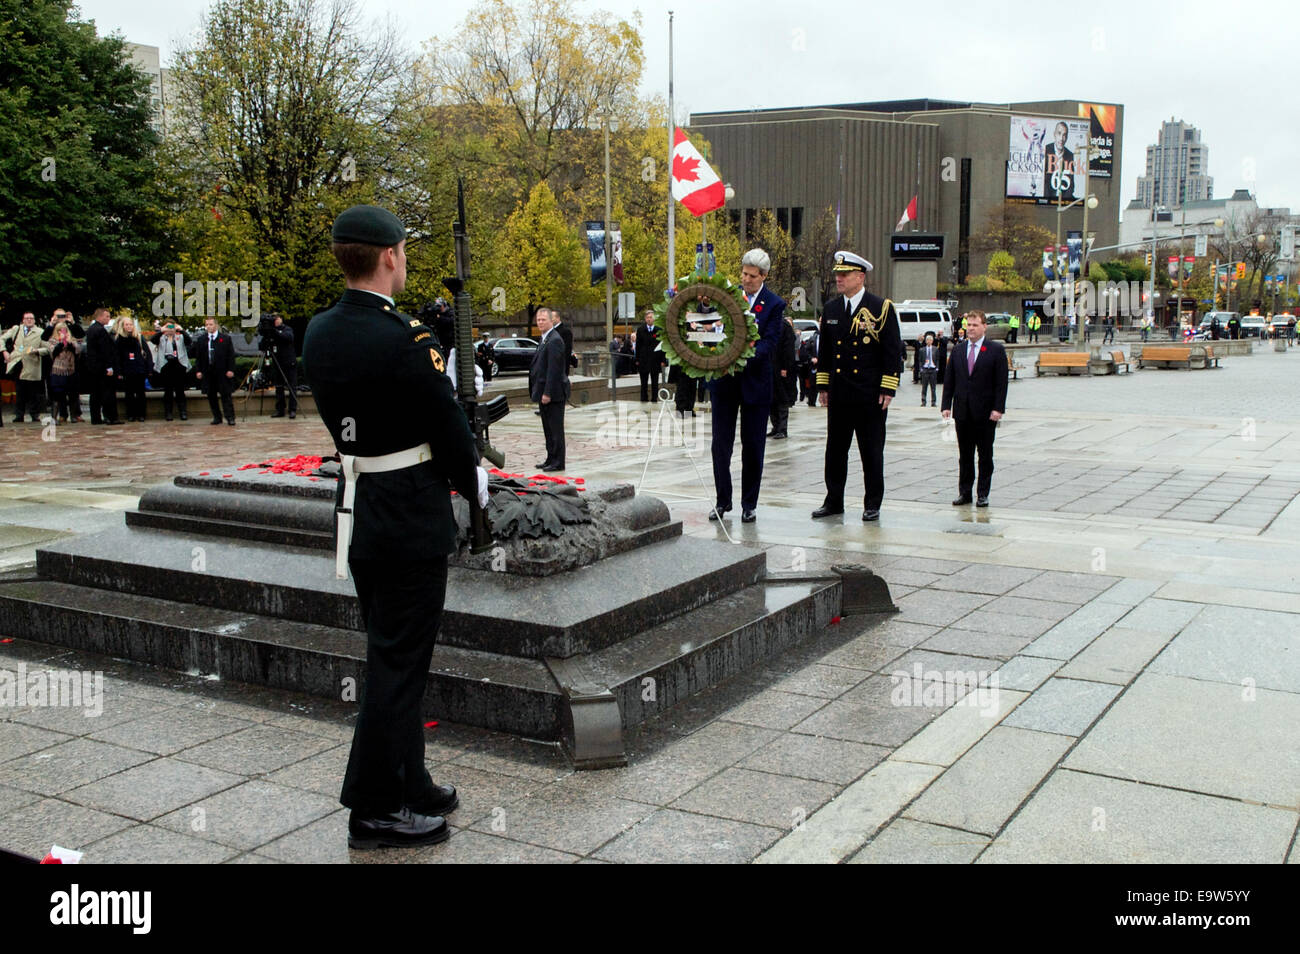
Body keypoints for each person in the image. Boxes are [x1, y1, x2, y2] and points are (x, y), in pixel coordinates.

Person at [302, 203, 484, 850]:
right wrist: (473, 482)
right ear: (388, 257)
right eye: (404, 251)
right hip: (408, 513)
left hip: (360, 508)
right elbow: (450, 430)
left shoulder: (319, 333)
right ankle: (374, 807)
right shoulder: (406, 339)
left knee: (391, 652)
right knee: (397, 666)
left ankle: (410, 778)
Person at [812, 250, 904, 522]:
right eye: (838, 275)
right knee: (835, 451)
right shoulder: (831, 309)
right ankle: (834, 500)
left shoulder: (881, 308)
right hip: (840, 393)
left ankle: (872, 502)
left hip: (869, 394)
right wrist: (823, 386)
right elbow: (826, 352)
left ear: (860, 277)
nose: (839, 279)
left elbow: (891, 352)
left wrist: (888, 388)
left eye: (844, 275)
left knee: (871, 451)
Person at [708, 248, 784, 523]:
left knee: (753, 447)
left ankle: (749, 503)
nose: (746, 279)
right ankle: (722, 501)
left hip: (755, 384)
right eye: (744, 273)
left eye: (752, 276)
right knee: (720, 446)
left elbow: (769, 343)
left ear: (763, 276)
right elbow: (713, 327)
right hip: (724, 383)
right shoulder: (727, 296)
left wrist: (741, 355)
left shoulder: (774, 304)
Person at [942, 311, 1008, 508]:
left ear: (984, 326)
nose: (970, 328)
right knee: (965, 456)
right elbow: (950, 379)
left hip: (986, 413)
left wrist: (998, 408)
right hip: (963, 412)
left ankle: (982, 494)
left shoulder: (995, 350)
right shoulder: (958, 350)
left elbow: (1001, 383)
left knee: (985, 455)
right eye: (968, 325)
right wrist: (946, 405)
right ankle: (965, 492)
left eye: (974, 325)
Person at [530, 306, 569, 471]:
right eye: (538, 320)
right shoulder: (544, 338)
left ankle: (558, 461)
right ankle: (550, 457)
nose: (540, 323)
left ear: (551, 321)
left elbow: (554, 370)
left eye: (543, 320)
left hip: (553, 393)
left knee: (555, 429)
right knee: (548, 428)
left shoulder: (554, 340)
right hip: (542, 391)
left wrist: (547, 393)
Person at [3, 312, 51, 423]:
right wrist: (4, 351)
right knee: (19, 390)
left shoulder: (40, 332)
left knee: (33, 391)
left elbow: (47, 349)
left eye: (31, 318)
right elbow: (2, 339)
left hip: (32, 364)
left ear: (34, 320)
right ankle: (19, 415)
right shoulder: (16, 329)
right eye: (27, 318)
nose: (29, 320)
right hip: (18, 363)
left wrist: (37, 351)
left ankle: (34, 414)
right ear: (23, 320)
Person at [192, 316, 237, 425]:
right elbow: (198, 357)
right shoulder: (201, 339)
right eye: (206, 325)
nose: (208, 326)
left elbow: (231, 356)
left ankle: (230, 417)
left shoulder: (225, 339)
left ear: (216, 325)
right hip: (208, 372)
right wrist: (198, 371)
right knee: (211, 396)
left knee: (226, 396)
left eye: (210, 324)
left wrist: (230, 369)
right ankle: (217, 417)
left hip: (222, 372)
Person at [83, 308, 122, 425]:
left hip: (93, 367)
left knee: (95, 394)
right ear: (100, 317)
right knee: (107, 393)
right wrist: (109, 367)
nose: (108, 319)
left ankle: (96, 417)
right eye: (107, 316)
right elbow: (105, 351)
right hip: (102, 368)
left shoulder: (91, 329)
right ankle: (110, 417)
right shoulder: (100, 330)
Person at [114, 316, 152, 421]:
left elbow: (147, 353)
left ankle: (141, 414)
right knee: (129, 394)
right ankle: (130, 414)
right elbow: (117, 356)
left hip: (139, 369)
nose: (129, 326)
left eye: (130, 324)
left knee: (140, 393)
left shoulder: (139, 337)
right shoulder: (119, 339)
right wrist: (119, 371)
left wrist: (149, 369)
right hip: (127, 370)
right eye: (127, 325)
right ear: (123, 326)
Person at [153, 322, 191, 420]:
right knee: (168, 391)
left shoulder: (180, 337)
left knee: (180, 391)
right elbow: (153, 340)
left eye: (172, 327)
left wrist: (181, 329)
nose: (170, 329)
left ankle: (183, 412)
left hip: (179, 365)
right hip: (166, 366)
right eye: (168, 327)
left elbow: (189, 341)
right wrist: (161, 331)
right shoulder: (161, 338)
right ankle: (168, 413)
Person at [768, 315, 798, 439]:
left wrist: (785, 367)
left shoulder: (784, 326)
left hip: (781, 368)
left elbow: (788, 349)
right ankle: (775, 427)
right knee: (771, 399)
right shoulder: (769, 322)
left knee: (782, 399)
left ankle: (782, 429)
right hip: (770, 367)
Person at [47, 321, 81, 422]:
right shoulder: (52, 341)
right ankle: (55, 417)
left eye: (64, 331)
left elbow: (78, 351)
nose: (63, 333)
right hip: (58, 371)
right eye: (60, 331)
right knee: (58, 395)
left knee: (73, 394)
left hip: (70, 370)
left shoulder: (72, 340)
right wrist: (62, 342)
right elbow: (53, 353)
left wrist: (69, 342)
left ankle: (73, 416)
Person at [265, 313, 298, 418]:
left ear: (281, 319)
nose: (275, 321)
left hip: (289, 362)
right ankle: (280, 409)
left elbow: (288, 338)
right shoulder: (271, 332)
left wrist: (275, 332)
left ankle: (292, 410)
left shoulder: (287, 329)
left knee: (292, 386)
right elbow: (262, 345)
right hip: (277, 362)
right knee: (279, 387)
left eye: (276, 318)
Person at [1043, 120, 1075, 202]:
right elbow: (1043, 181)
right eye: (1059, 133)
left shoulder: (1070, 155)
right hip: (1047, 198)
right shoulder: (1045, 150)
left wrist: (1065, 201)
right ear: (1054, 134)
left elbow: (1071, 184)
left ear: (1067, 137)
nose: (1061, 138)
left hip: (1064, 200)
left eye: (1064, 135)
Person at [635, 310, 664, 402]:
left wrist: (663, 360)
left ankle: (654, 399)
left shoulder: (659, 330)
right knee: (643, 382)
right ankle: (644, 399)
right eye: (647, 318)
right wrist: (637, 359)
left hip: (655, 360)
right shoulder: (640, 330)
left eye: (651, 317)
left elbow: (662, 346)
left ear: (654, 319)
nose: (649, 319)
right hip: (643, 360)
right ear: (645, 319)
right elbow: (638, 345)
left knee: (655, 382)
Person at [916, 331, 945, 407]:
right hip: (925, 369)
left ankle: (933, 402)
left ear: (932, 341)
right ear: (926, 341)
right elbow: (920, 360)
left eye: (930, 340)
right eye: (927, 340)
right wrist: (921, 369)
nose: (929, 341)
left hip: (933, 369)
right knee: (924, 387)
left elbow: (938, 359)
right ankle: (923, 401)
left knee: (933, 387)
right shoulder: (922, 350)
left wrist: (937, 368)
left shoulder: (935, 349)